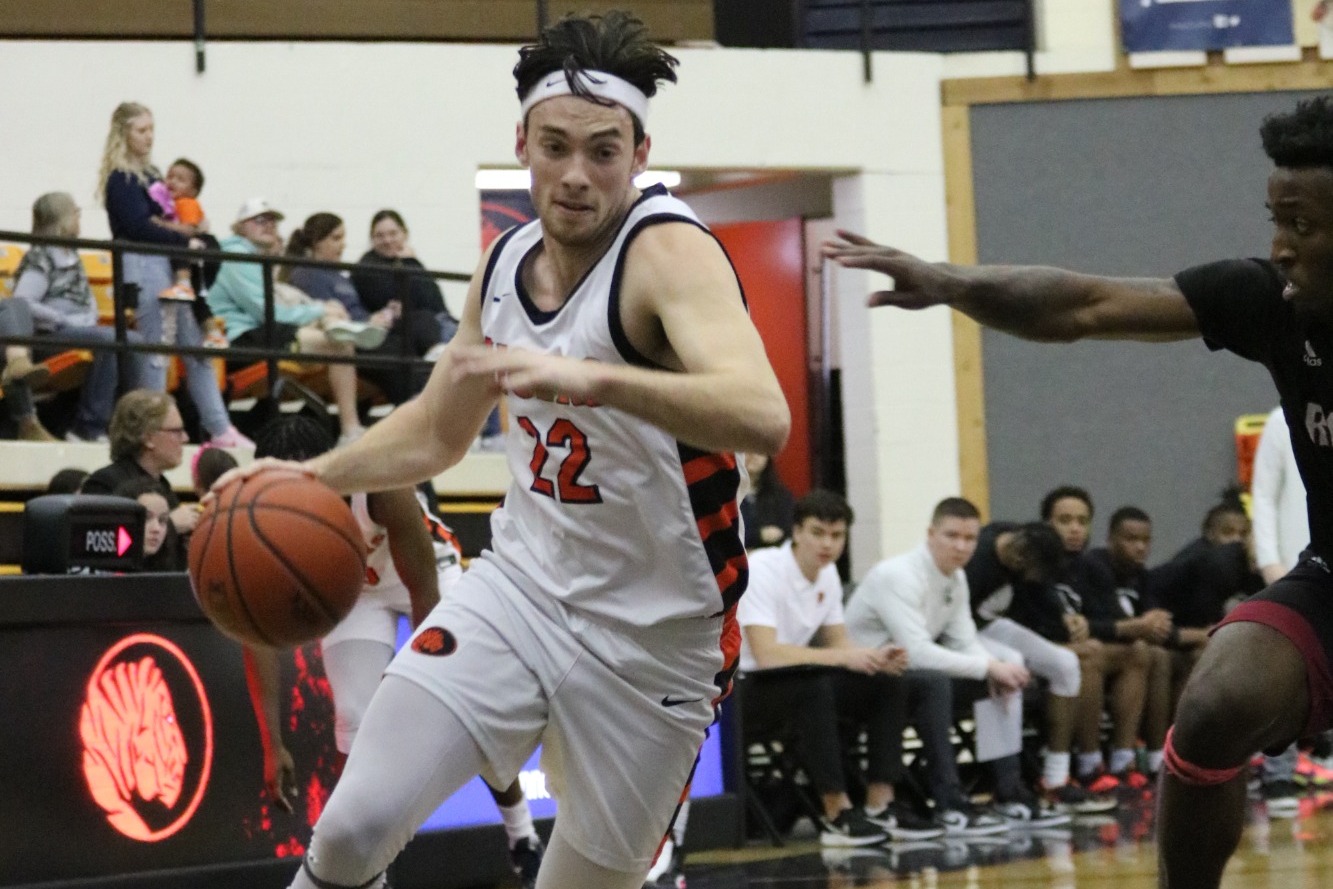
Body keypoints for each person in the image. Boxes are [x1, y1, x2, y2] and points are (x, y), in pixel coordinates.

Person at [218, 12, 789, 889]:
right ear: (520, 140)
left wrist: (596, 378)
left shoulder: (668, 252)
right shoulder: (506, 259)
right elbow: (439, 430)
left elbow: (761, 414)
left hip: (658, 643)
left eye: (602, 150)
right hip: (521, 593)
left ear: (640, 153)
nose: (574, 174)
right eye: (554, 145)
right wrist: (314, 475)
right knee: (347, 832)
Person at [822, 95, 1333, 889]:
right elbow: (1083, 304)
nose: (1280, 247)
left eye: (1301, 227)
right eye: (1275, 220)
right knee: (1214, 699)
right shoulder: (1269, 301)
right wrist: (950, 281)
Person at [240, 415, 545, 889]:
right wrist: (269, 741)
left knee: (467, 701)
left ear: (325, 472)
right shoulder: (259, 514)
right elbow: (256, 631)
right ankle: (367, 872)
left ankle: (520, 830)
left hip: (426, 573)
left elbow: (424, 591)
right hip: (357, 590)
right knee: (354, 718)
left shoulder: (377, 484)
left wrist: (435, 684)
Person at [845, 497, 1069, 830]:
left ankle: (1006, 791)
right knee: (939, 681)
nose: (961, 546)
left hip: (904, 672)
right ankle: (949, 801)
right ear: (930, 534)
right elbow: (917, 652)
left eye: (970, 539)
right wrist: (989, 666)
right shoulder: (897, 574)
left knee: (997, 678)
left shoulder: (957, 579)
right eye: (952, 536)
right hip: (864, 677)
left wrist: (995, 666)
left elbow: (964, 641)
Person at [737, 490, 938, 844]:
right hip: (745, 691)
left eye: (836, 535)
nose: (827, 544)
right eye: (817, 533)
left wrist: (873, 656)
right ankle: (836, 813)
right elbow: (766, 654)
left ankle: (881, 804)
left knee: (886, 681)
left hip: (794, 682)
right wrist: (844, 658)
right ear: (797, 532)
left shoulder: (827, 575)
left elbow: (838, 643)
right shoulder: (763, 570)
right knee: (814, 688)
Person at [96, 101, 250, 448]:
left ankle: (220, 427)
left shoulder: (152, 174)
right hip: (142, 263)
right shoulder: (120, 178)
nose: (149, 137)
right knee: (158, 348)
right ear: (124, 133)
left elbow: (163, 219)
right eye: (141, 130)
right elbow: (137, 227)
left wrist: (190, 229)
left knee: (194, 345)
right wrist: (184, 235)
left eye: (152, 130)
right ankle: (150, 430)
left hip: (166, 262)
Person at [963, 520, 1111, 813]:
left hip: (988, 626)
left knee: (1066, 663)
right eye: (1033, 573)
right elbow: (950, 625)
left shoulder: (1020, 540)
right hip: (957, 633)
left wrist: (1065, 628)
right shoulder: (976, 564)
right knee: (1010, 664)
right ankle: (1005, 784)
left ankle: (1055, 780)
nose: (1033, 579)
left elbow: (1040, 596)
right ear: (1020, 558)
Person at [206, 199, 369, 445]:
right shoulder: (236, 255)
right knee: (340, 343)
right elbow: (268, 313)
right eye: (259, 220)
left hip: (255, 332)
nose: (268, 225)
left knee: (336, 334)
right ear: (240, 227)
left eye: (272, 220)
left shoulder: (252, 257)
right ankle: (350, 430)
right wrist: (319, 311)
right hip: (238, 339)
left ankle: (349, 428)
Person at [1, 192, 148, 442]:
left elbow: (85, 297)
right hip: (50, 334)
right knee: (108, 340)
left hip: (80, 328)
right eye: (75, 212)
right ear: (61, 219)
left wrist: (89, 316)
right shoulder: (42, 256)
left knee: (134, 341)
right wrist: (62, 319)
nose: (80, 216)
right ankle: (88, 427)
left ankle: (131, 425)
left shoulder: (72, 255)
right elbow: (24, 302)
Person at [1041, 486, 1152, 792]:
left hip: (1079, 649)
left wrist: (1087, 625)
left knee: (1138, 651)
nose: (1075, 528)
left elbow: (1114, 621)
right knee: (1089, 654)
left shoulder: (1091, 566)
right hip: (1038, 650)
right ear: (1046, 524)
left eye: (1082, 520)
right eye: (1065, 520)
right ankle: (1089, 763)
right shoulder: (1036, 563)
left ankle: (1122, 758)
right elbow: (1019, 619)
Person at [285, 213, 439, 405]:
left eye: (343, 238)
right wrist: (366, 323)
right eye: (336, 238)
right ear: (317, 242)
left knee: (417, 323)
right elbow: (329, 319)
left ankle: (430, 394)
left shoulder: (339, 276)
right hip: (347, 340)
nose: (343, 245)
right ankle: (419, 411)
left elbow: (357, 310)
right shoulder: (307, 274)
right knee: (396, 354)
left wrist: (381, 315)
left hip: (365, 331)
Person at [1077, 507, 1174, 784]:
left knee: (1160, 655)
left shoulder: (1142, 576)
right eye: (1131, 539)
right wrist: (1141, 626)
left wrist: (1154, 626)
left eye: (1145, 540)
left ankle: (1155, 758)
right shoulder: (1094, 565)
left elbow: (1158, 624)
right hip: (1094, 650)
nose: (1140, 547)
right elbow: (1102, 622)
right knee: (1140, 651)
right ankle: (1094, 762)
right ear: (1110, 539)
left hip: (1127, 654)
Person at [1250, 406, 1312, 815]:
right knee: (1285, 675)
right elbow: (1264, 497)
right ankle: (1278, 770)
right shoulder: (1281, 419)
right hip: (1296, 568)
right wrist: (1271, 562)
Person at [82, 390, 197, 567]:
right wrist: (171, 525)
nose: (185, 438)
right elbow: (103, 552)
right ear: (148, 438)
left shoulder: (164, 488)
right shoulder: (104, 484)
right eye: (176, 431)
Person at [111, 475, 178, 570]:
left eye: (162, 520)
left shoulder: (170, 571)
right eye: (146, 518)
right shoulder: (99, 571)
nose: (156, 529)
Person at [740, 451, 795, 550]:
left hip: (774, 556)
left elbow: (790, 529)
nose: (753, 456)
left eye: (759, 451)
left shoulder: (780, 495)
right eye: (747, 450)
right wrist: (759, 535)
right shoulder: (726, 495)